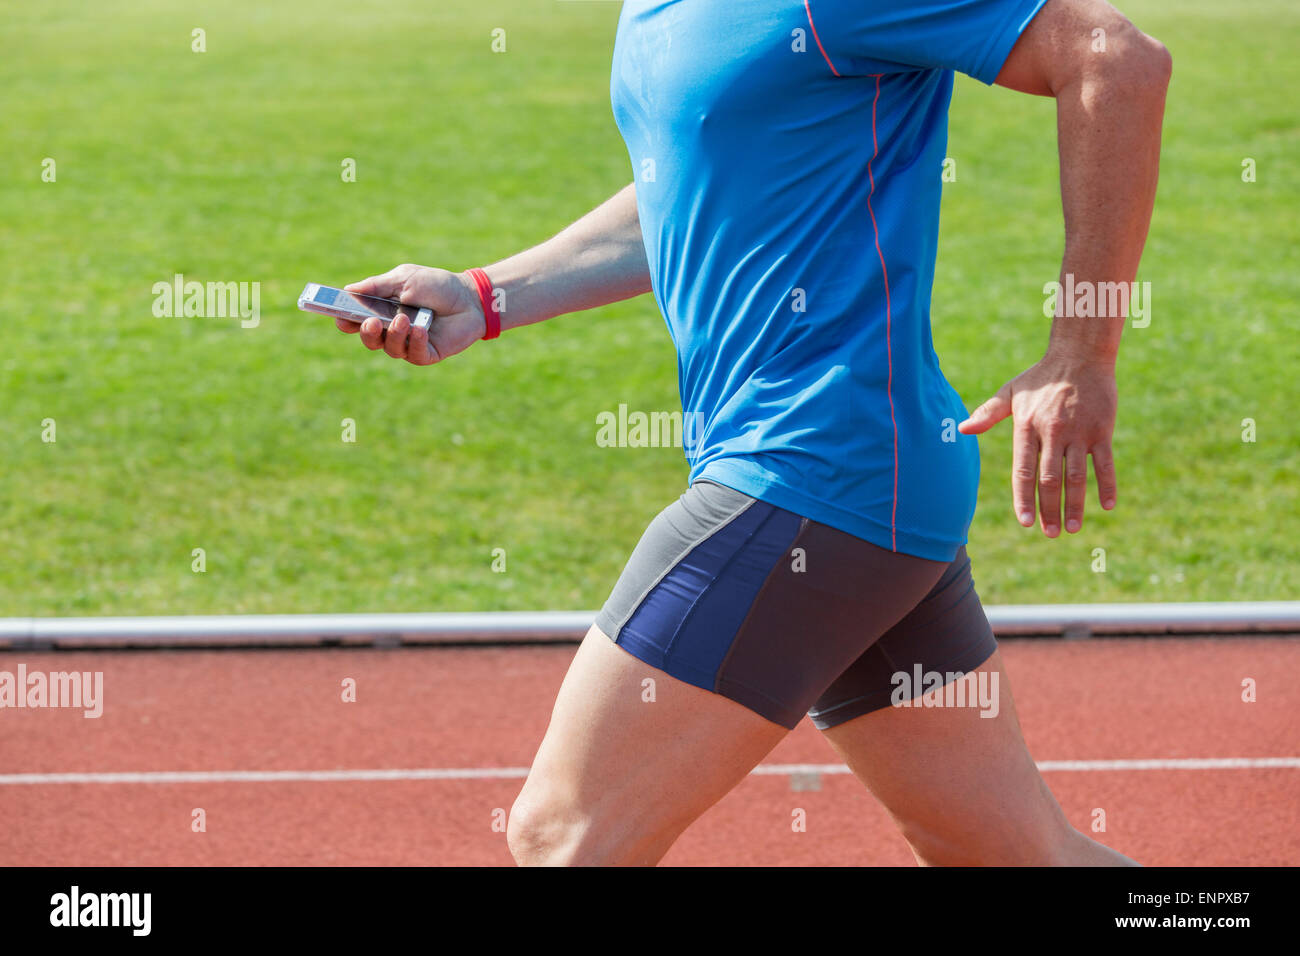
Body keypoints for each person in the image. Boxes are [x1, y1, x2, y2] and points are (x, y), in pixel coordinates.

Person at [336, 0, 1169, 866]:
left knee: (563, 837)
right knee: (1021, 859)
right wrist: (488, 295)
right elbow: (702, 180)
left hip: (816, 467)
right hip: (863, 489)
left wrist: (1081, 350)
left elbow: (1116, 57)